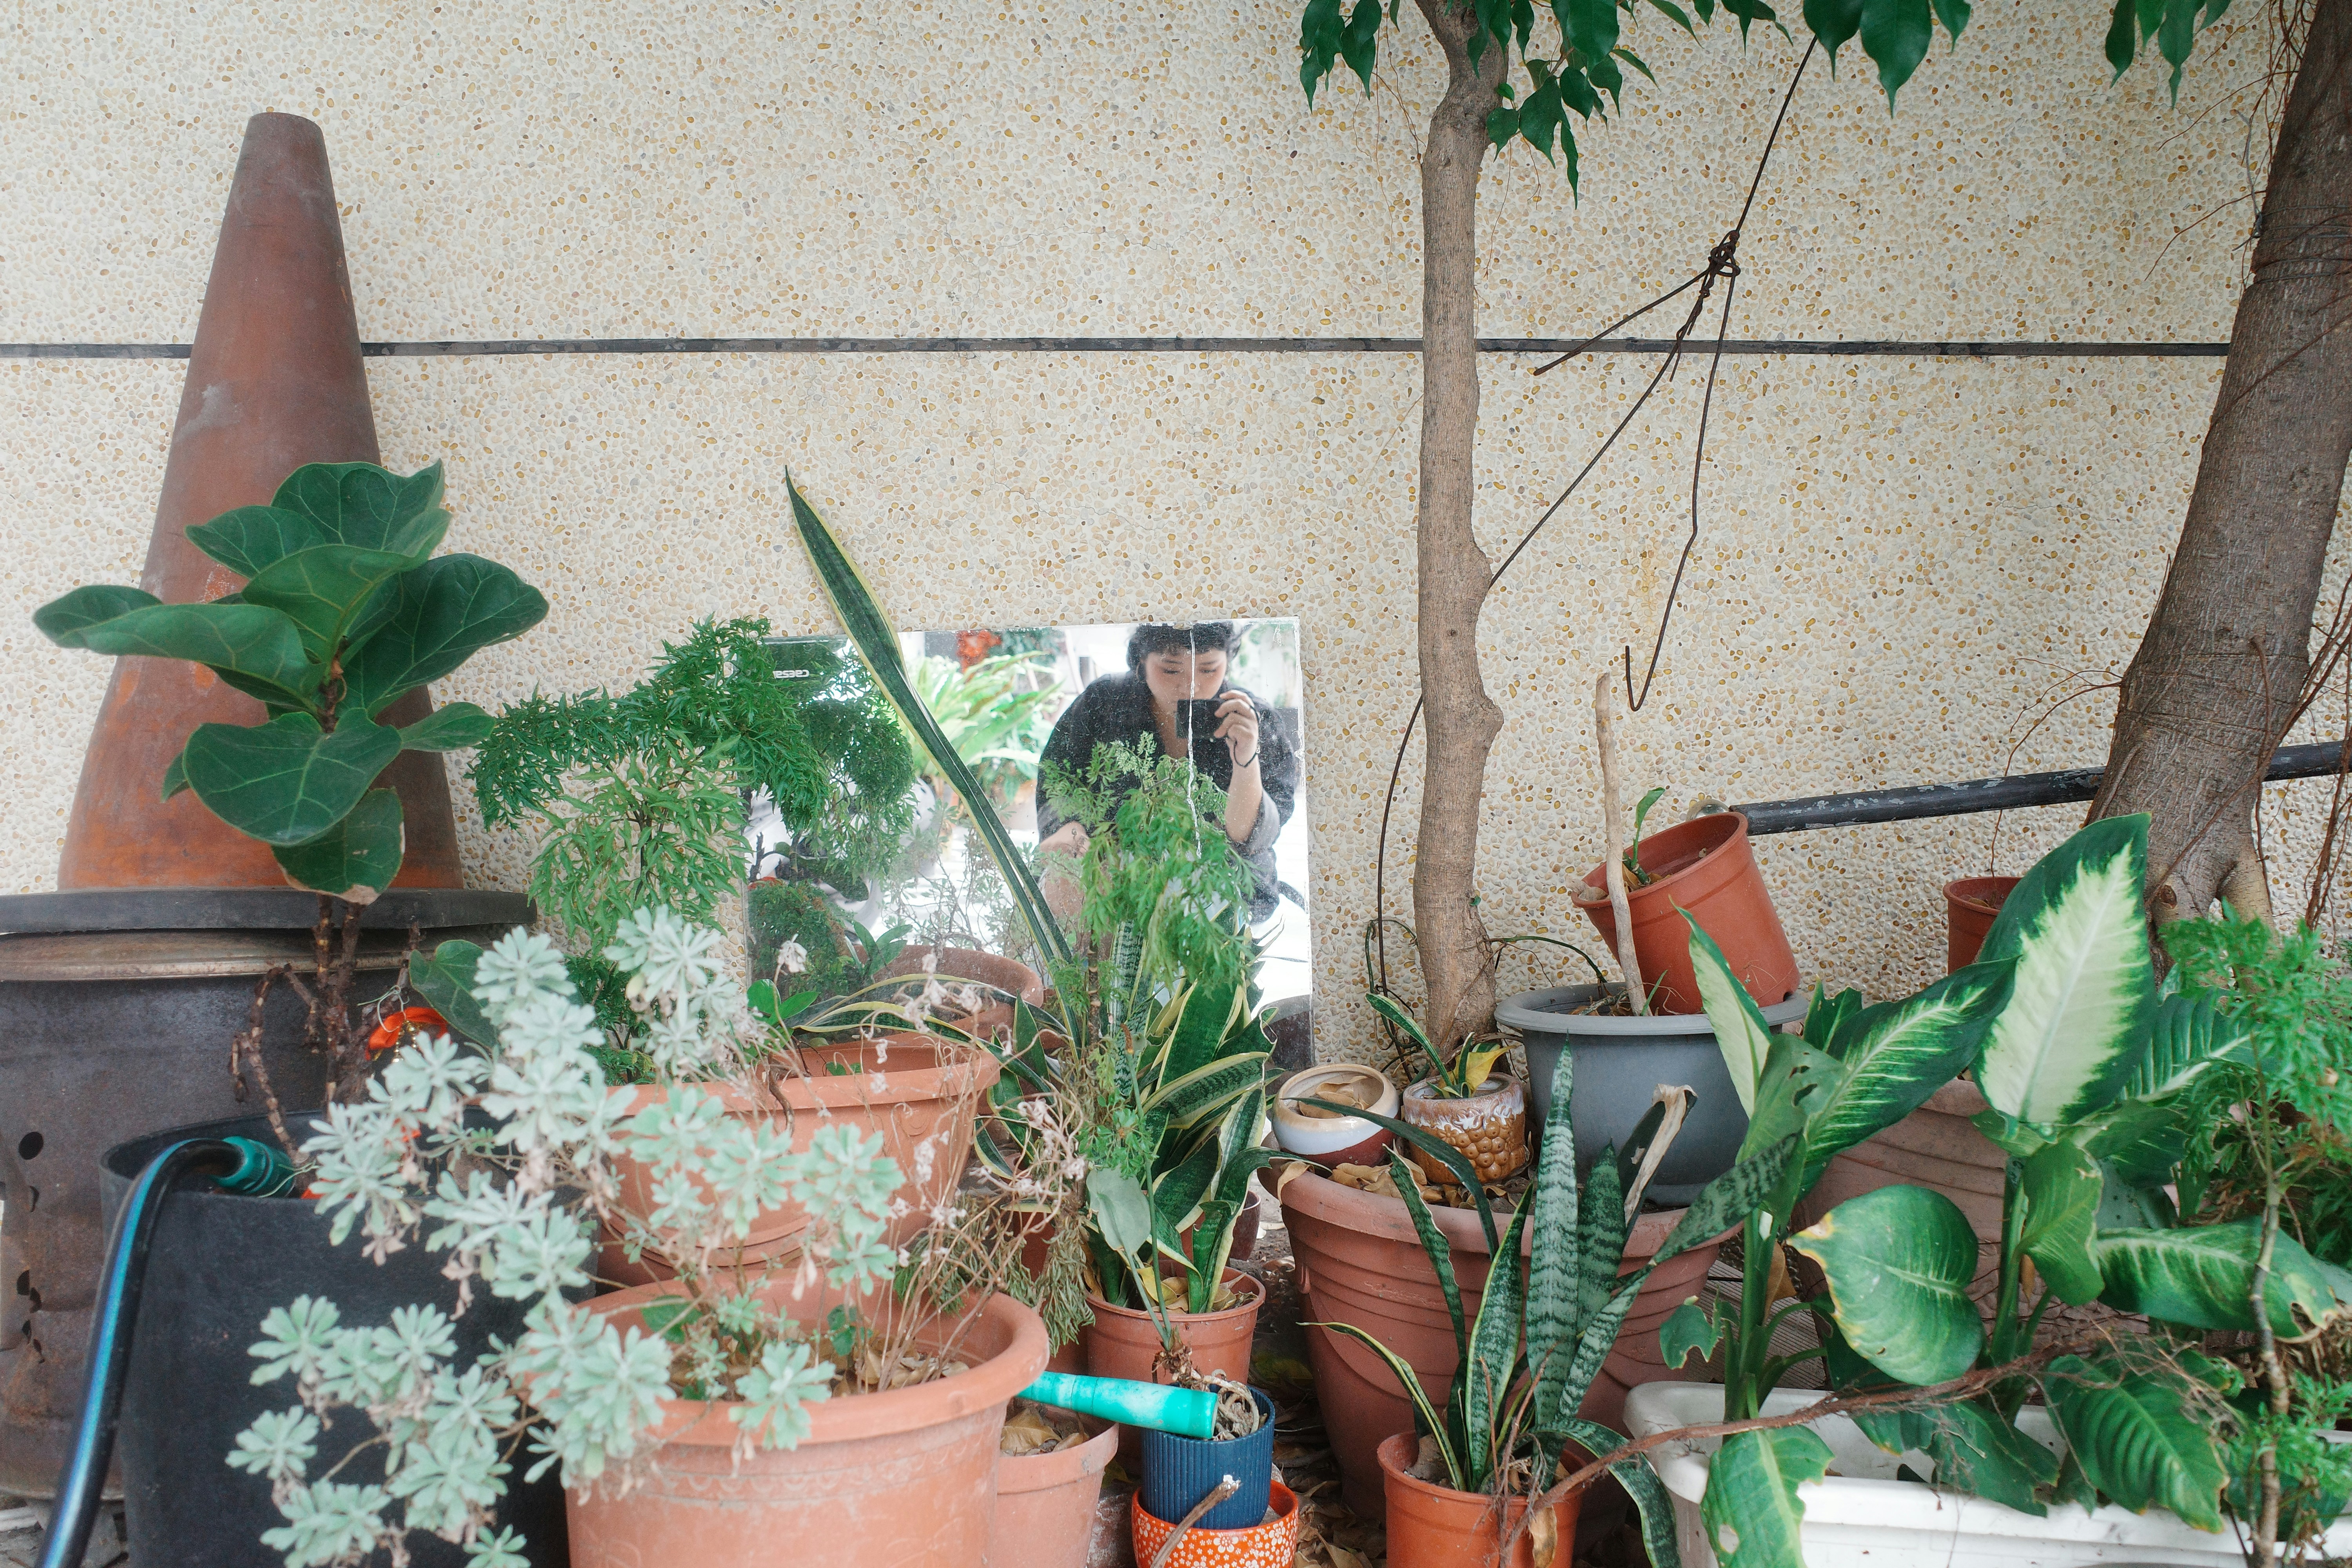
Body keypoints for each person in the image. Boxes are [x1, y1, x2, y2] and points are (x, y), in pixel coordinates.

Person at [1034, 622, 1299, 920]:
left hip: (1219, 889)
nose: (1191, 685)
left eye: (1209, 669)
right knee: (1064, 883)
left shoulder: (1252, 719)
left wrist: (1245, 760)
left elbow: (1244, 837)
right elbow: (1058, 781)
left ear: (1228, 661)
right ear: (1141, 662)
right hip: (1116, 878)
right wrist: (1068, 829)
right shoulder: (1104, 703)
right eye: (1171, 670)